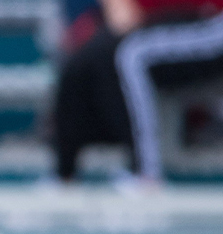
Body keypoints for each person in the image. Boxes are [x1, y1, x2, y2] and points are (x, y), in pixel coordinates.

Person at [51, 0, 223, 185]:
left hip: (213, 23)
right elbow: (124, 18)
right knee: (84, 57)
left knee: (132, 54)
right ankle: (64, 175)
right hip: (163, 19)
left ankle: (146, 173)